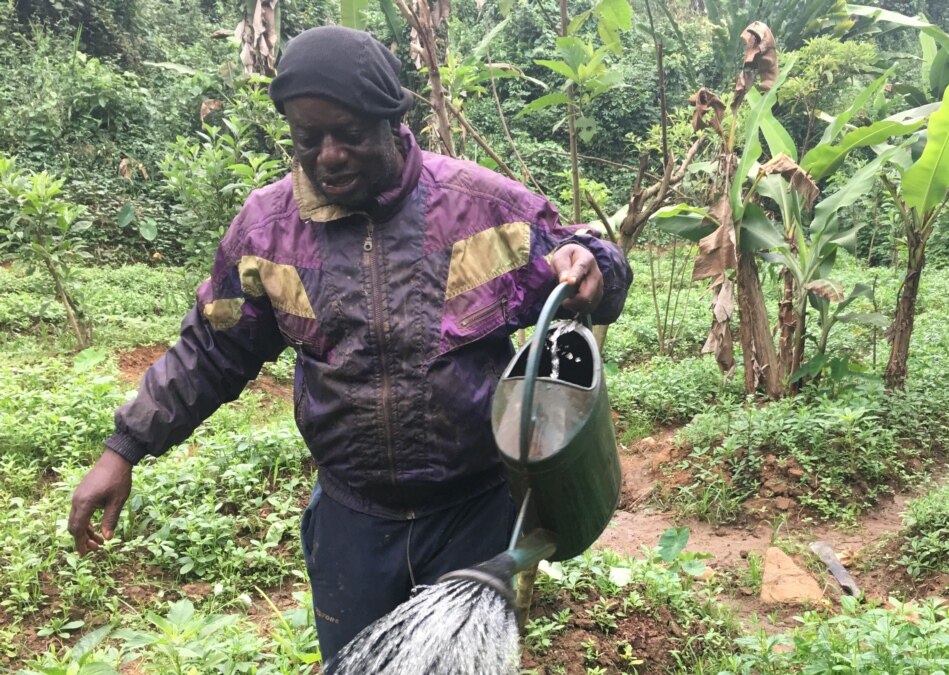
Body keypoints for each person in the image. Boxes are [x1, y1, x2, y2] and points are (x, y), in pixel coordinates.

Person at [66, 25, 632, 665]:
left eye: (349, 134)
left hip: (474, 510)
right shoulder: (268, 231)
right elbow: (212, 350)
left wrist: (596, 268)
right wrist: (125, 447)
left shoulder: (481, 206)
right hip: (353, 521)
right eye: (309, 139)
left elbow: (584, 262)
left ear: (392, 123)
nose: (328, 155)